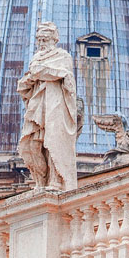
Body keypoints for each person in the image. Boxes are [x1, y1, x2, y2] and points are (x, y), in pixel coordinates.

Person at [17, 22, 79, 191]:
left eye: (45, 40)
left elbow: (65, 77)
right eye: (39, 40)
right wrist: (30, 78)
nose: (42, 44)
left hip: (54, 106)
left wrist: (39, 71)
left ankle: (55, 179)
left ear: (54, 39)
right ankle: (40, 180)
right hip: (37, 108)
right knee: (33, 145)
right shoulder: (35, 60)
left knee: (52, 142)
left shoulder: (63, 57)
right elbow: (24, 86)